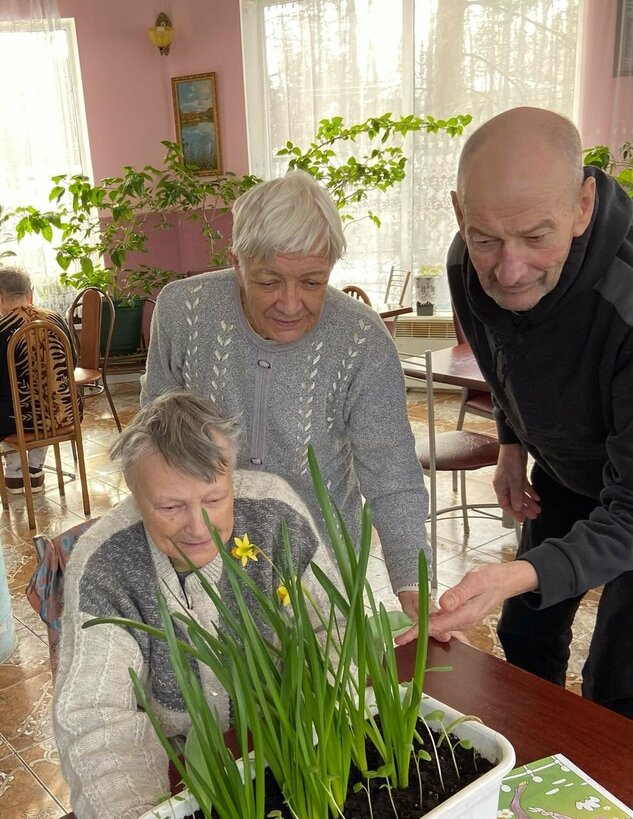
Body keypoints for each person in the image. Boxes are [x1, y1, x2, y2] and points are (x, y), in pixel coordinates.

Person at [52, 390, 341, 819]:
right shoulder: (106, 561)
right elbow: (96, 721)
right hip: (172, 777)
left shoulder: (275, 512)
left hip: (286, 756)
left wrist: (329, 749)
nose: (199, 526)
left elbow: (332, 639)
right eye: (170, 506)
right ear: (133, 492)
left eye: (215, 497)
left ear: (232, 474)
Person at [140, 170, 432, 644]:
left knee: (315, 682)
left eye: (312, 282)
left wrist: (415, 587)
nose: (291, 304)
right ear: (237, 263)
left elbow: (392, 473)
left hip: (317, 567)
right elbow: (153, 440)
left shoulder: (360, 339)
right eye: (269, 281)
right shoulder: (183, 310)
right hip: (203, 558)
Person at [430, 106, 633, 718]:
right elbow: (503, 357)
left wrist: (510, 576)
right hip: (566, 473)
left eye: (536, 238)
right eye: (487, 238)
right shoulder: (467, 265)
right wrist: (512, 444)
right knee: (525, 633)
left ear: (582, 206)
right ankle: (528, 756)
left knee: (617, 683)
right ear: (460, 213)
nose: (510, 270)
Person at [0, 267, 74, 493]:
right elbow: (72, 362)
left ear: (0, 298)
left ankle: (14, 474)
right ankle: (35, 470)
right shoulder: (55, 319)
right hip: (63, 414)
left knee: (9, 404)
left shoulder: (2, 329)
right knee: (44, 402)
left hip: (15, 421)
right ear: (30, 294)